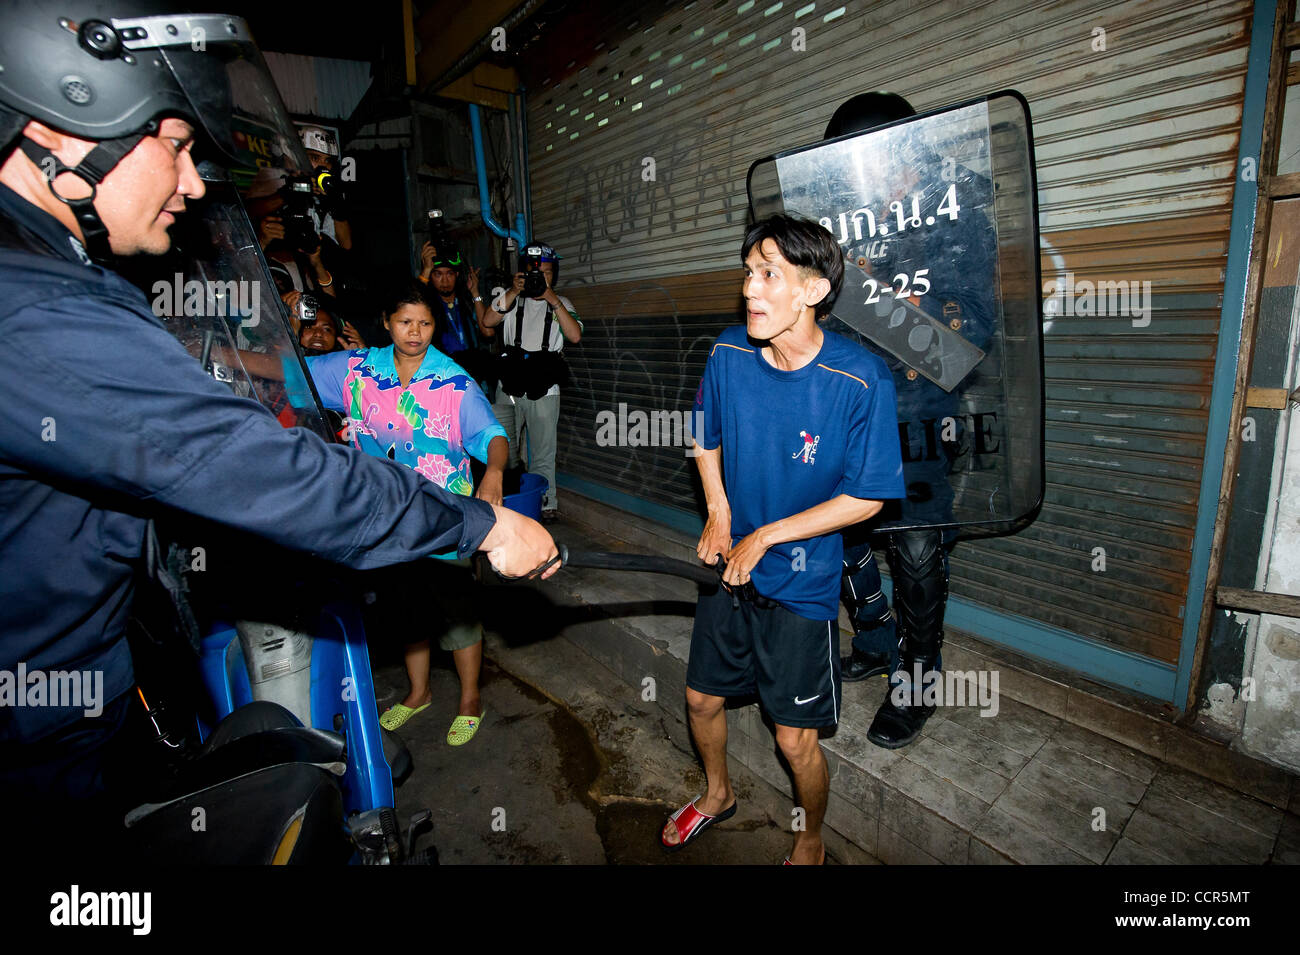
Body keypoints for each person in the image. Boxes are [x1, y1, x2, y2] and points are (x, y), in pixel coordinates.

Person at [0, 3, 556, 854]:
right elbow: (263, 466)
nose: (191, 183)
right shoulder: (34, 311)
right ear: (68, 128)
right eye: (178, 144)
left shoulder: (45, 278)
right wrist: (479, 523)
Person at [661, 214, 904, 864]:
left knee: (795, 740)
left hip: (801, 579)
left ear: (815, 289)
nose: (750, 288)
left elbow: (869, 494)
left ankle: (811, 838)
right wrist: (718, 508)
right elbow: (703, 433)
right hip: (728, 566)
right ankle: (717, 794)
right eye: (748, 272)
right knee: (699, 697)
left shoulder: (860, 380)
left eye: (768, 274)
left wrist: (765, 533)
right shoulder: (729, 353)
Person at [825, 92, 996, 748]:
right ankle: (873, 638)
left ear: (899, 152)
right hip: (850, 411)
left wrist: (866, 301)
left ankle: (920, 679)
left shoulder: (954, 216)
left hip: (920, 416)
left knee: (918, 549)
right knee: (844, 536)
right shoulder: (845, 224)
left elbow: (965, 335)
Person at [298, 281, 506, 745]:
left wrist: (493, 473)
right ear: (388, 323)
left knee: (457, 612)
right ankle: (419, 692)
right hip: (386, 519)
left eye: (426, 323)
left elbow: (492, 433)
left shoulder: (452, 380)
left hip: (442, 515)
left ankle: (471, 697)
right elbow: (287, 369)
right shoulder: (357, 371)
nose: (415, 332)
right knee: (407, 608)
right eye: (405, 322)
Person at [483, 242, 581, 522]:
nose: (541, 278)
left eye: (547, 274)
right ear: (522, 273)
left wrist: (552, 298)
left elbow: (574, 336)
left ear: (555, 275)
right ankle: (507, 496)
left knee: (543, 450)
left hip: (545, 387)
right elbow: (489, 321)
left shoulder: (562, 303)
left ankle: (547, 503)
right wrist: (514, 290)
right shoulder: (510, 299)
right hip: (509, 385)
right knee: (503, 446)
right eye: (535, 273)